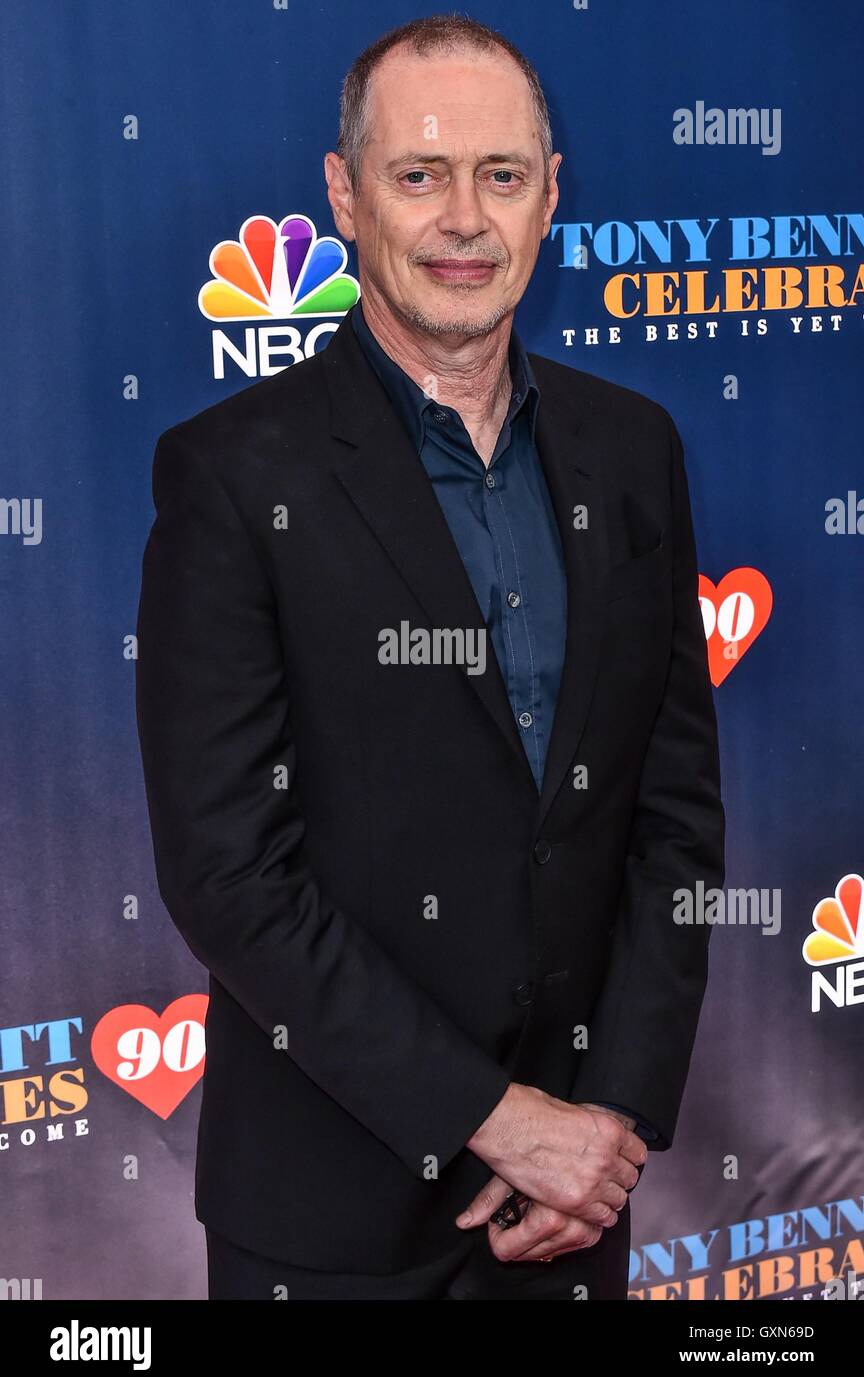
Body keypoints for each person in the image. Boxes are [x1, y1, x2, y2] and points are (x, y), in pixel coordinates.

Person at [135, 14, 724, 1301]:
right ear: (346, 195)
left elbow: (673, 823)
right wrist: (492, 1115)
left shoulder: (634, 450)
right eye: (421, 174)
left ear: (552, 197)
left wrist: (606, 1124)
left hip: (572, 1205)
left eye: (502, 175)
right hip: (329, 1223)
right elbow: (229, 873)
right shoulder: (235, 473)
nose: (466, 218)